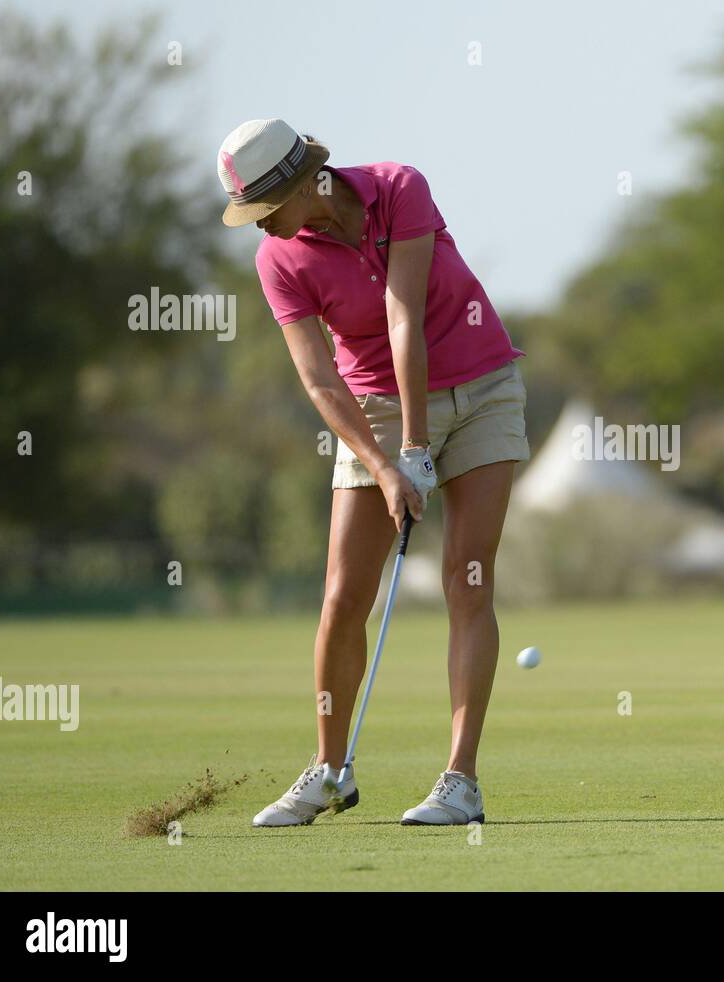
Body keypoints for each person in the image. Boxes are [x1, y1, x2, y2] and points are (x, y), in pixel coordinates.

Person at [215, 118, 527, 827]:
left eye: (266, 211)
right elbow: (321, 380)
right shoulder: (281, 260)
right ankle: (329, 771)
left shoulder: (398, 189)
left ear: (302, 182)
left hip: (482, 387)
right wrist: (388, 466)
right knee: (342, 596)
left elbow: (402, 318)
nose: (262, 230)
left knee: (466, 578)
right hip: (374, 406)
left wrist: (419, 447)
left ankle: (460, 781)